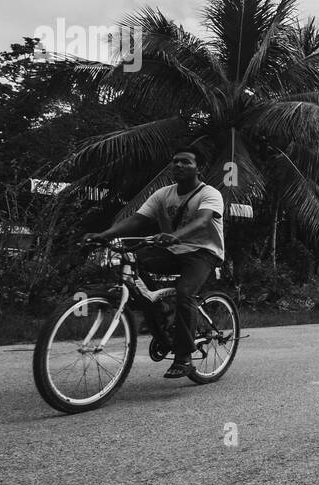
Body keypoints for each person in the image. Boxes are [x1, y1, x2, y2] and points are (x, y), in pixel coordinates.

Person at [84, 145, 225, 378]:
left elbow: (201, 222)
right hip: (172, 251)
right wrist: (104, 235)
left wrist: (174, 236)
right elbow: (138, 219)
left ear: (198, 168)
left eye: (185, 162)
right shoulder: (163, 194)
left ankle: (184, 357)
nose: (178, 165)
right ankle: (161, 314)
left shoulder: (210, 193)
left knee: (185, 293)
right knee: (131, 263)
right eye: (175, 161)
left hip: (203, 252)